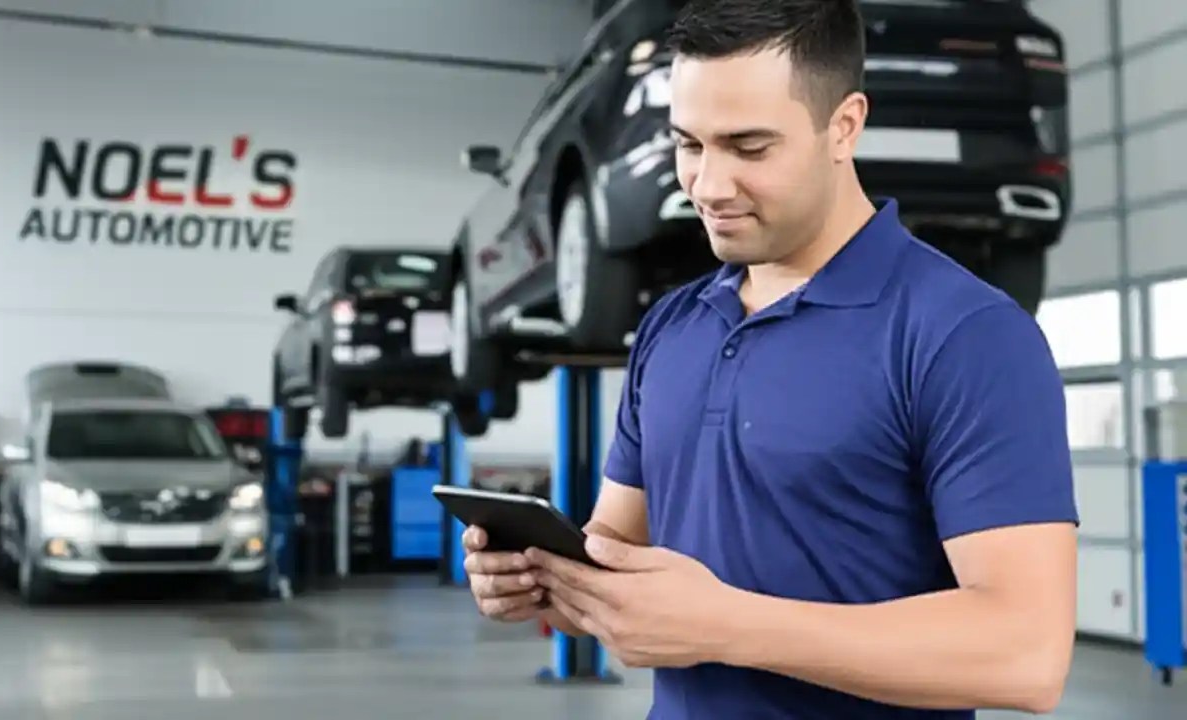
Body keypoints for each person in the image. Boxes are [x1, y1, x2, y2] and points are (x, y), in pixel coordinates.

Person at [461, 0, 1079, 717]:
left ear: (843, 125)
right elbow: (616, 560)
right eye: (688, 145)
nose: (709, 186)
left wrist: (726, 625)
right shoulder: (672, 328)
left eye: (749, 148)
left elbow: (1025, 655)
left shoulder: (965, 335)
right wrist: (543, 581)